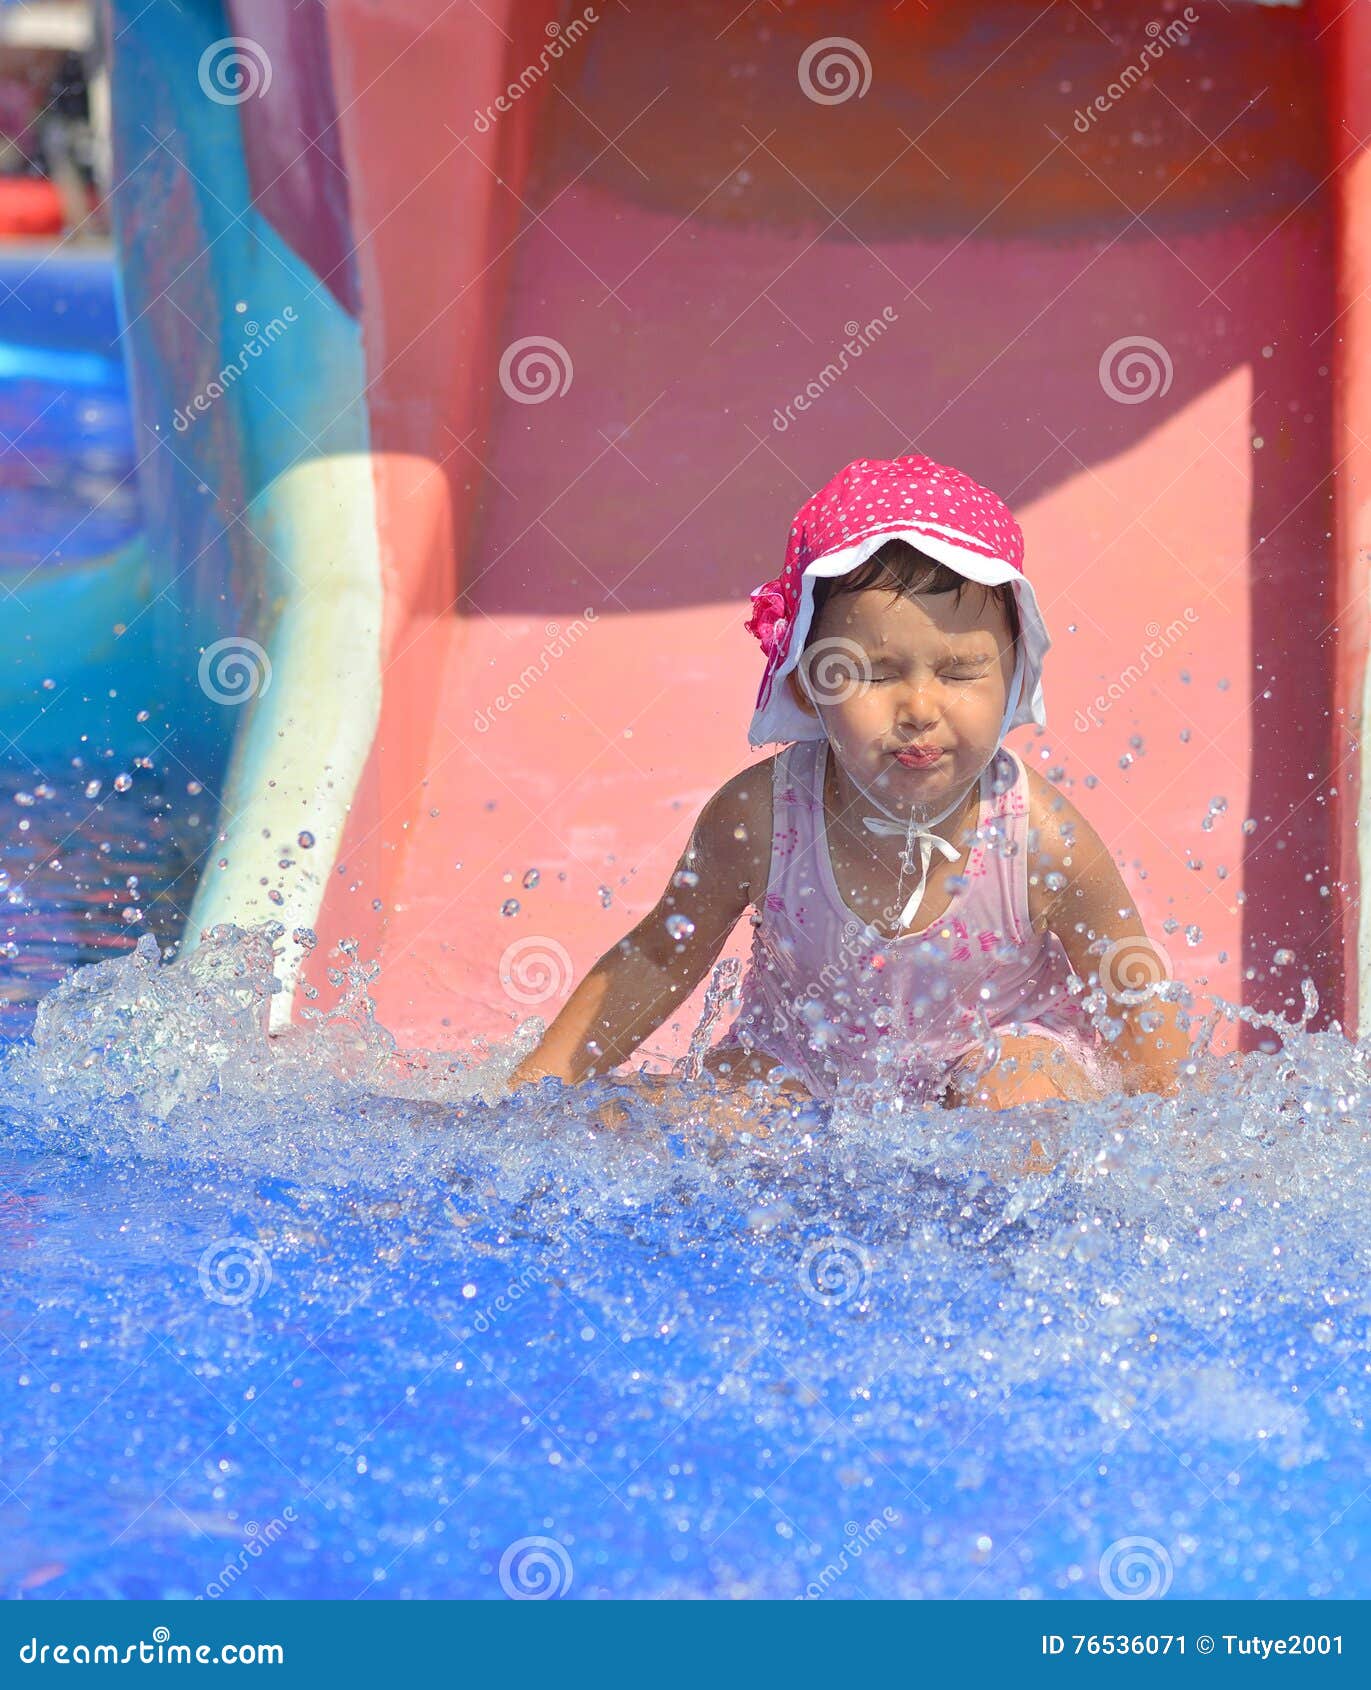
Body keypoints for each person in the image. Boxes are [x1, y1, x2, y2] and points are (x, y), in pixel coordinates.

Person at [508, 454, 1192, 1127]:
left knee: (1028, 1097)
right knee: (691, 1119)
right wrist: (532, 1095)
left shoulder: (1037, 834)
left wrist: (1172, 1130)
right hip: (802, 1060)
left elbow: (1131, 984)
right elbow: (659, 954)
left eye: (959, 674)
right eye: (874, 672)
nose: (919, 706)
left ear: (1014, 676)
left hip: (1000, 1048)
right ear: (807, 679)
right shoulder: (759, 818)